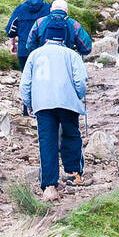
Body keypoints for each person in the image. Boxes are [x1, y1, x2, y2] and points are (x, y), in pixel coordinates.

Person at [20, 20, 89, 203]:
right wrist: (78, 95)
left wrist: (29, 103)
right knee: (71, 135)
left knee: (47, 142)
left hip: (43, 103)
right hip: (67, 102)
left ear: (47, 36)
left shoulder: (35, 54)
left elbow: (25, 84)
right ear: (63, 37)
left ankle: (49, 185)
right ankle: (73, 174)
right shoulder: (71, 54)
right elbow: (81, 82)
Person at [5, 0, 50, 68]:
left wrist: (13, 44)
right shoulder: (48, 9)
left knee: (27, 78)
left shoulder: (19, 9)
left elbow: (11, 30)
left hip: (24, 51)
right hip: (44, 51)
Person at [27, 0, 93, 56]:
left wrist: (38, 54)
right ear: (66, 10)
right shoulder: (74, 24)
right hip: (66, 60)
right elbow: (86, 47)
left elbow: (29, 44)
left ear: (51, 9)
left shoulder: (39, 22)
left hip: (43, 61)